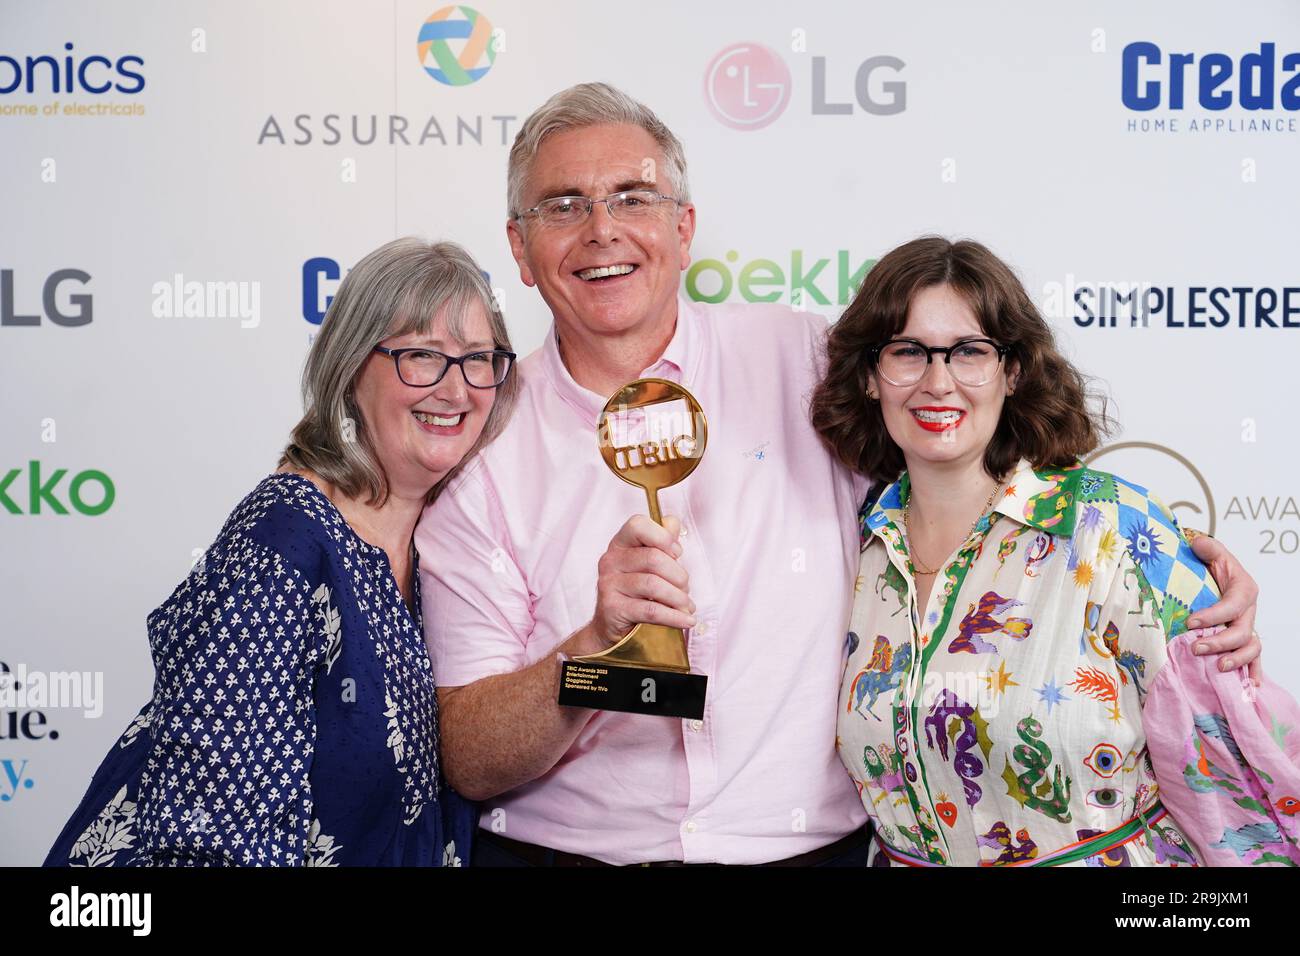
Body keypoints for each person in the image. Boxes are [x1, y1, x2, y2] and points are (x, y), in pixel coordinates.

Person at [417, 82, 1263, 867]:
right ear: (520, 249)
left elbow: (969, 451)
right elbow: (472, 757)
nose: (602, 228)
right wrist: (594, 650)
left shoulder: (803, 359)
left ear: (683, 229)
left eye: (633, 197)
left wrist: (1161, 560)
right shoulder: (478, 445)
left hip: (813, 860)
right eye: (564, 205)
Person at [811, 236, 1299, 866]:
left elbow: (1236, 771)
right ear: (871, 378)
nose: (938, 382)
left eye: (969, 352)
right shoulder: (853, 546)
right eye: (907, 352)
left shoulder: (1112, 525)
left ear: (1012, 372)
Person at [44, 238, 520, 866]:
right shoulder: (283, 542)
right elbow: (210, 836)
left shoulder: (443, 543)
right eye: (421, 356)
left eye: (477, 359)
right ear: (352, 371)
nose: (455, 389)